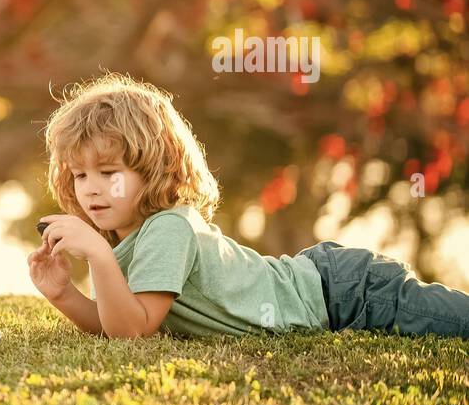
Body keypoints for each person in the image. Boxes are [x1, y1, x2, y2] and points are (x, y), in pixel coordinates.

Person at [29, 72, 469, 339]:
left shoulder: (168, 227)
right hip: (327, 283)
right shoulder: (128, 239)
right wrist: (64, 294)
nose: (90, 189)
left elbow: (133, 330)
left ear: (153, 169)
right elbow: (115, 323)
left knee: (455, 322)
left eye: (109, 173)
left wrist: (100, 257)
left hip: (347, 293)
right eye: (80, 174)